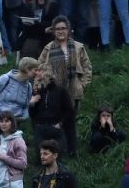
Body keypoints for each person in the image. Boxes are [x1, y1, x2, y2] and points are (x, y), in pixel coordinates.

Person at [37, 17, 93, 156]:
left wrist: (83, 84)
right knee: (57, 120)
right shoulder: (48, 48)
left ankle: (73, 151)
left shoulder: (78, 46)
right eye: (57, 29)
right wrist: (41, 87)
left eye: (63, 28)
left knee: (70, 121)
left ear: (68, 30)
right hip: (55, 91)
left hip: (73, 90)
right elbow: (39, 68)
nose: (60, 31)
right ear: (53, 31)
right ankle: (57, 152)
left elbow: (87, 67)